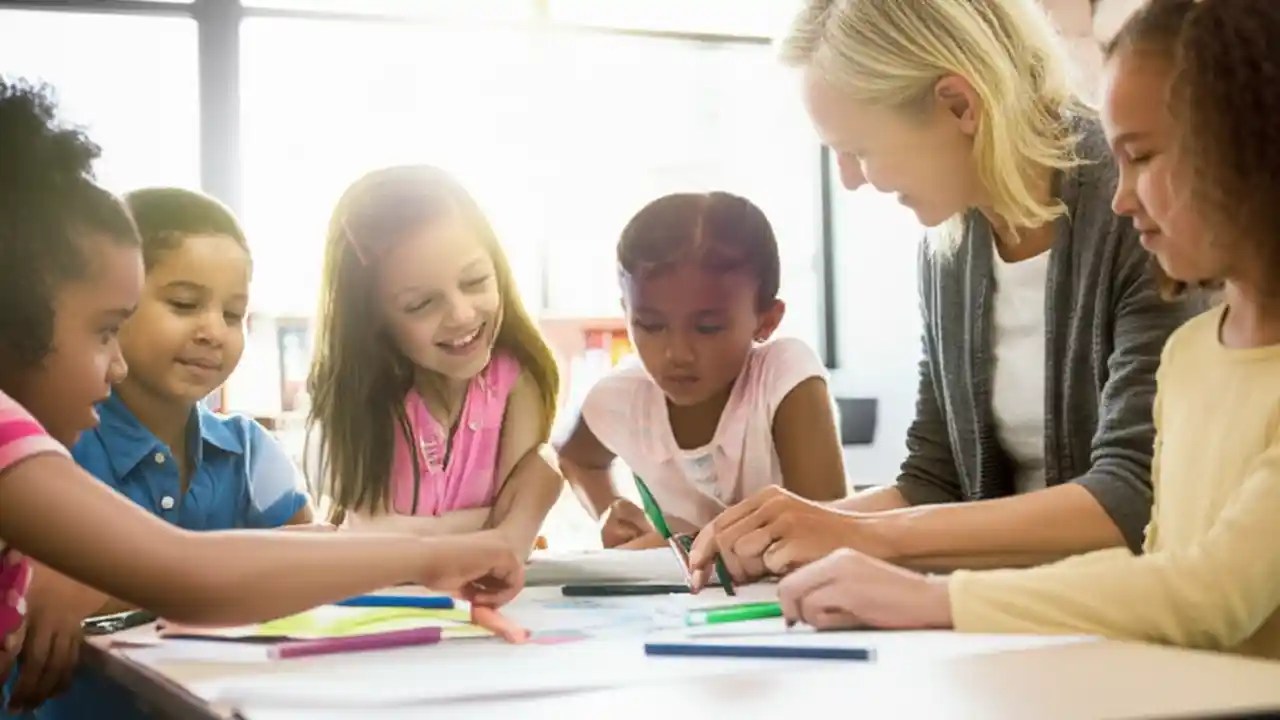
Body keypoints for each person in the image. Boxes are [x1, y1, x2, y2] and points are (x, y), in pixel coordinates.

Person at [778, 0, 1280, 660]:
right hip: (1137, 670)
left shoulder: (1135, 238)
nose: (1125, 199)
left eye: (858, 150)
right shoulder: (1190, 354)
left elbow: (1193, 576)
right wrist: (800, 527)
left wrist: (929, 591)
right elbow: (1152, 566)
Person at [0, 77, 522, 708]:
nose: (113, 366)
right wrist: (430, 554)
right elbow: (188, 571)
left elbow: (237, 555)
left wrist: (423, 552)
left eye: (234, 313)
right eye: (106, 329)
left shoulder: (243, 449)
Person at [690, 0, 1196, 584]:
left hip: (1125, 614)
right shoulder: (951, 245)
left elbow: (1132, 498)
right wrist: (774, 529)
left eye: (858, 150)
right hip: (1015, 615)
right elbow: (937, 480)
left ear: (960, 105)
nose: (851, 181)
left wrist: (853, 533)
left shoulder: (1137, 211)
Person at [12, 187, 323, 716]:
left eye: (233, 314)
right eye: (183, 304)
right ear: (117, 304)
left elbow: (310, 571)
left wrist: (97, 584)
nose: (212, 332)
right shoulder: (49, 441)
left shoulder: (251, 452)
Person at [557, 192, 846, 549]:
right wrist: (609, 510)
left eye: (707, 328)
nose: (676, 353)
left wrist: (680, 547)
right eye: (650, 325)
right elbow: (575, 458)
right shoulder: (619, 397)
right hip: (677, 600)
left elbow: (824, 530)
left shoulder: (783, 376)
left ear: (766, 320)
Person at [306, 165, 562, 558]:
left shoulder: (516, 382)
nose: (461, 314)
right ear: (372, 320)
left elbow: (512, 533)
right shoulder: (358, 399)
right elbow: (364, 535)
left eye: (475, 281)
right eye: (420, 304)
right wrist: (490, 527)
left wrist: (397, 535)